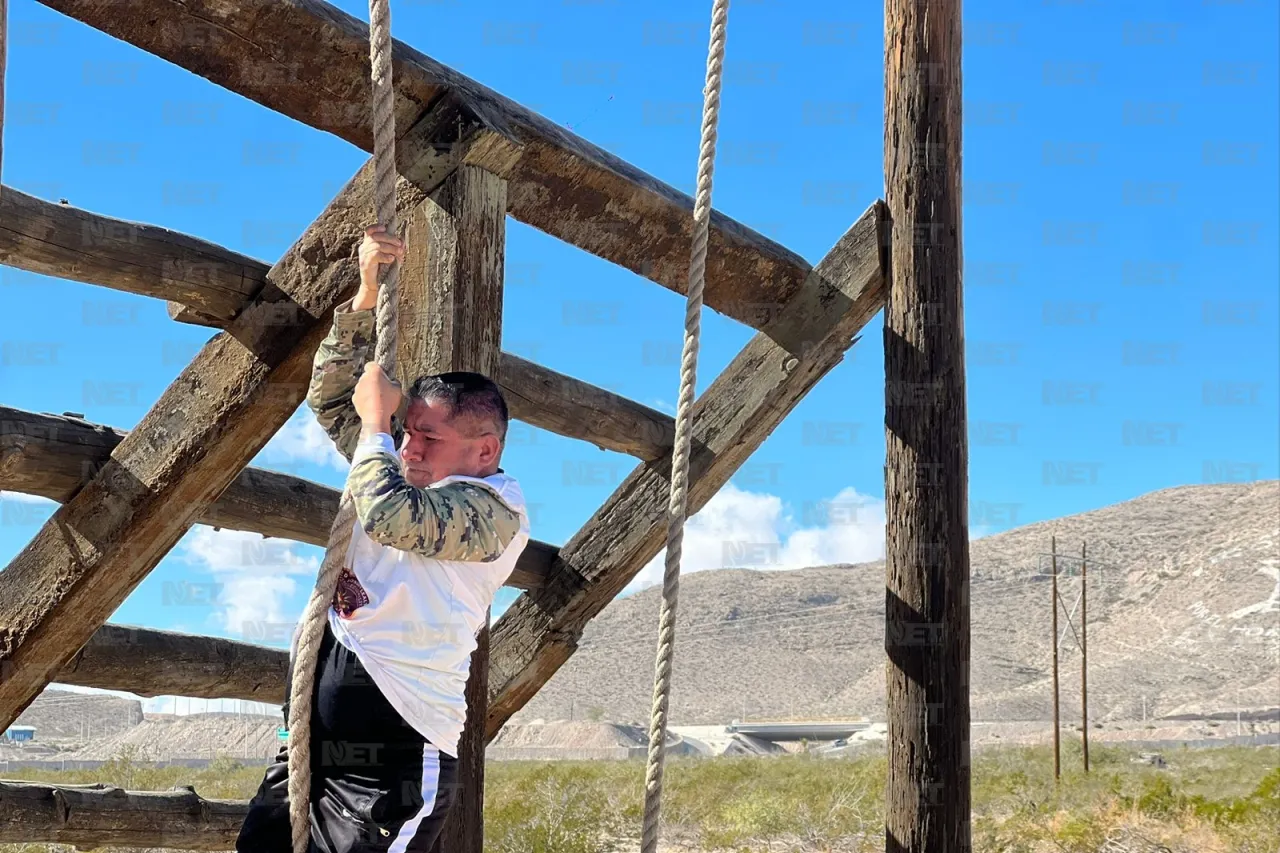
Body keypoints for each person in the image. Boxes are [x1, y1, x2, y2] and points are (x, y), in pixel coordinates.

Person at [236, 224, 531, 853]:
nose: (408, 446)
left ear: (485, 450)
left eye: (429, 438)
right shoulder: (390, 466)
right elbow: (334, 400)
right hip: (313, 746)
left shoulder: (496, 512)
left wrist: (377, 424)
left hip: (391, 762)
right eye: (406, 431)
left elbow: (391, 517)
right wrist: (366, 295)